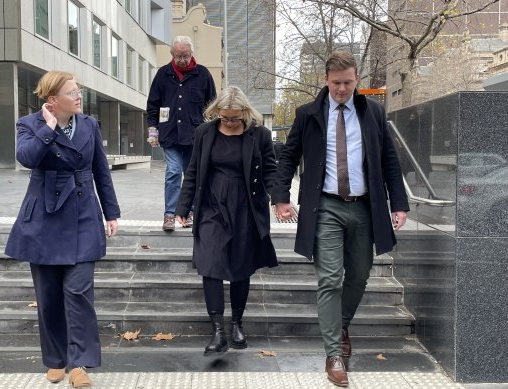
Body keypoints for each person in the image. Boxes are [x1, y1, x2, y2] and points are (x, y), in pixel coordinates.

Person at [272, 50, 409, 387]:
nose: (342, 89)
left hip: (365, 207)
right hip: (326, 207)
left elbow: (389, 160)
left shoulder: (373, 113)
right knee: (330, 278)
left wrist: (400, 203)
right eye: (336, 83)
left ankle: (340, 322)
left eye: (348, 82)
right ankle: (334, 353)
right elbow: (289, 156)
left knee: (359, 275)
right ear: (325, 80)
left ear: (357, 79)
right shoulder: (308, 114)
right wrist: (280, 197)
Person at [4, 71, 120, 388]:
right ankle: (56, 360)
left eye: (78, 90)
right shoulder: (29, 125)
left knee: (78, 293)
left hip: (83, 213)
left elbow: (101, 170)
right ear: (53, 100)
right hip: (42, 218)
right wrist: (49, 127)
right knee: (49, 296)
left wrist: (111, 212)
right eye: (72, 92)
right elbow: (26, 157)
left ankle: (79, 363)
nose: (79, 96)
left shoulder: (90, 125)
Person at [175, 86, 278, 356]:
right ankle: (218, 330)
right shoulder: (204, 133)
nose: (230, 122)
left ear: (245, 113)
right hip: (211, 207)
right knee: (210, 264)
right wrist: (182, 207)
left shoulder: (260, 135)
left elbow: (270, 170)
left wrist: (281, 199)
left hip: (246, 207)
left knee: (241, 267)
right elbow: (194, 171)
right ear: (216, 113)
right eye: (224, 117)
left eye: (234, 118)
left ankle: (237, 324)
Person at [146, 35, 216, 231]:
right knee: (173, 172)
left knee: (191, 174)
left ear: (192, 53)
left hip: (196, 136)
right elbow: (153, 105)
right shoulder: (163, 74)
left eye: (186, 56)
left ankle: (189, 211)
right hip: (170, 134)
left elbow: (213, 106)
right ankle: (169, 214)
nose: (183, 60)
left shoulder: (203, 74)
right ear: (172, 55)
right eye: (178, 56)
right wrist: (153, 130)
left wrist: (212, 131)